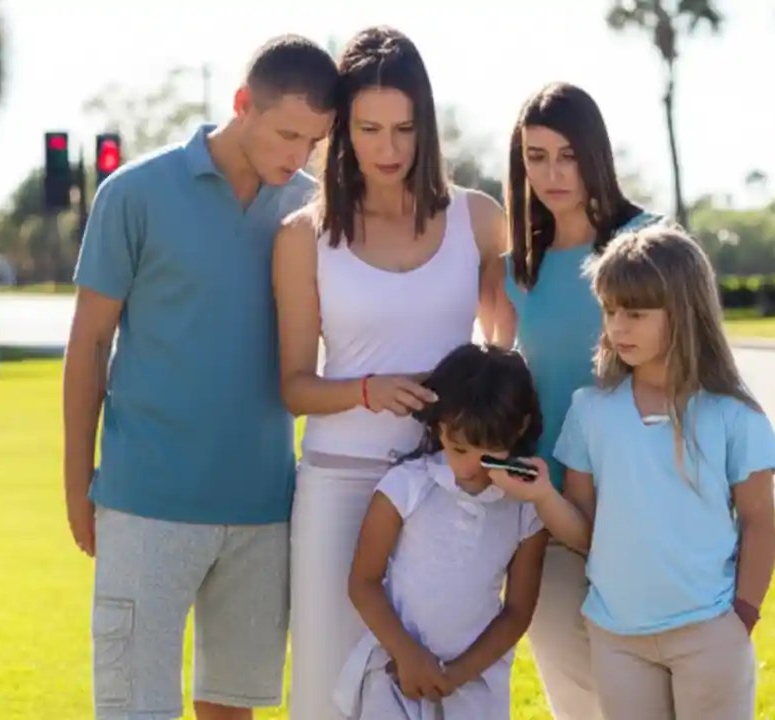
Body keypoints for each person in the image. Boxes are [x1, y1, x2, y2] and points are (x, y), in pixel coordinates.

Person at [62, 35, 338, 720]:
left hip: (263, 512)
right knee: (134, 710)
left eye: (314, 142)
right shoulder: (133, 194)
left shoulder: (313, 214)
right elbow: (89, 343)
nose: (297, 157)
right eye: (286, 134)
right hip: (144, 504)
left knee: (232, 711)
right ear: (243, 104)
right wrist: (77, 485)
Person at [271, 25, 507, 720]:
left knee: (439, 691)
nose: (389, 149)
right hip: (339, 487)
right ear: (341, 129)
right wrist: (369, 391)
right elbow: (293, 386)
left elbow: (507, 350)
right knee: (326, 695)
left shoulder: (478, 219)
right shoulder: (302, 237)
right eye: (369, 128)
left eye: (405, 128)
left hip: (447, 489)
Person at [492, 225, 775, 720]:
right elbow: (588, 531)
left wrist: (742, 616)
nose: (618, 327)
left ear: (685, 312)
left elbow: (759, 522)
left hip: (710, 632)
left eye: (635, 313)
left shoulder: (734, 415)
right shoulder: (590, 412)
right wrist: (544, 495)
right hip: (616, 638)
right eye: (609, 311)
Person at [491, 80, 673, 719]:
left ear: (595, 153)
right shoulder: (518, 269)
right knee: (576, 703)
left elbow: (693, 374)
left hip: (642, 516)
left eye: (567, 154)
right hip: (553, 518)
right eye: (535, 157)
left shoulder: (649, 242)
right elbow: (506, 387)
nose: (552, 173)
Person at [335, 343, 549, 720]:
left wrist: (457, 675)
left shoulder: (526, 509)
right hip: (393, 676)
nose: (469, 467)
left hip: (475, 686)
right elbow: (363, 582)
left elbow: (517, 612)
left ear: (519, 428)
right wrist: (408, 656)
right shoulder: (406, 486)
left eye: (487, 453)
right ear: (438, 427)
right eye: (458, 448)